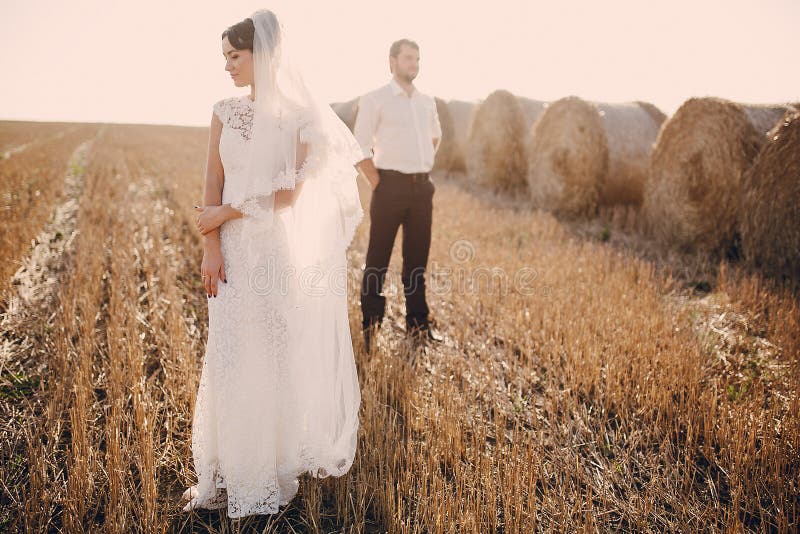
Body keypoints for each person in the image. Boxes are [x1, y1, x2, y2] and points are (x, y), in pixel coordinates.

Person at [181, 9, 365, 518]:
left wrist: (230, 211)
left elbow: (288, 196)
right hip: (231, 252)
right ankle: (228, 468)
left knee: (270, 357)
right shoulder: (222, 109)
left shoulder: (299, 117)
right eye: (224, 58)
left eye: (234, 56)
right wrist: (211, 246)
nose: (227, 66)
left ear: (261, 55)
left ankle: (270, 471)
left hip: (271, 253)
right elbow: (210, 184)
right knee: (230, 356)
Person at [354, 38, 444, 353]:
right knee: (377, 259)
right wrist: (379, 182)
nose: (414, 65)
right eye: (408, 58)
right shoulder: (375, 99)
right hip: (388, 187)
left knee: (417, 260)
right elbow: (359, 147)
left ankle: (418, 325)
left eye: (417, 59)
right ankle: (370, 325)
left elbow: (435, 138)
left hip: (423, 188)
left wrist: (419, 168)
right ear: (392, 61)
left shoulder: (426, 101)